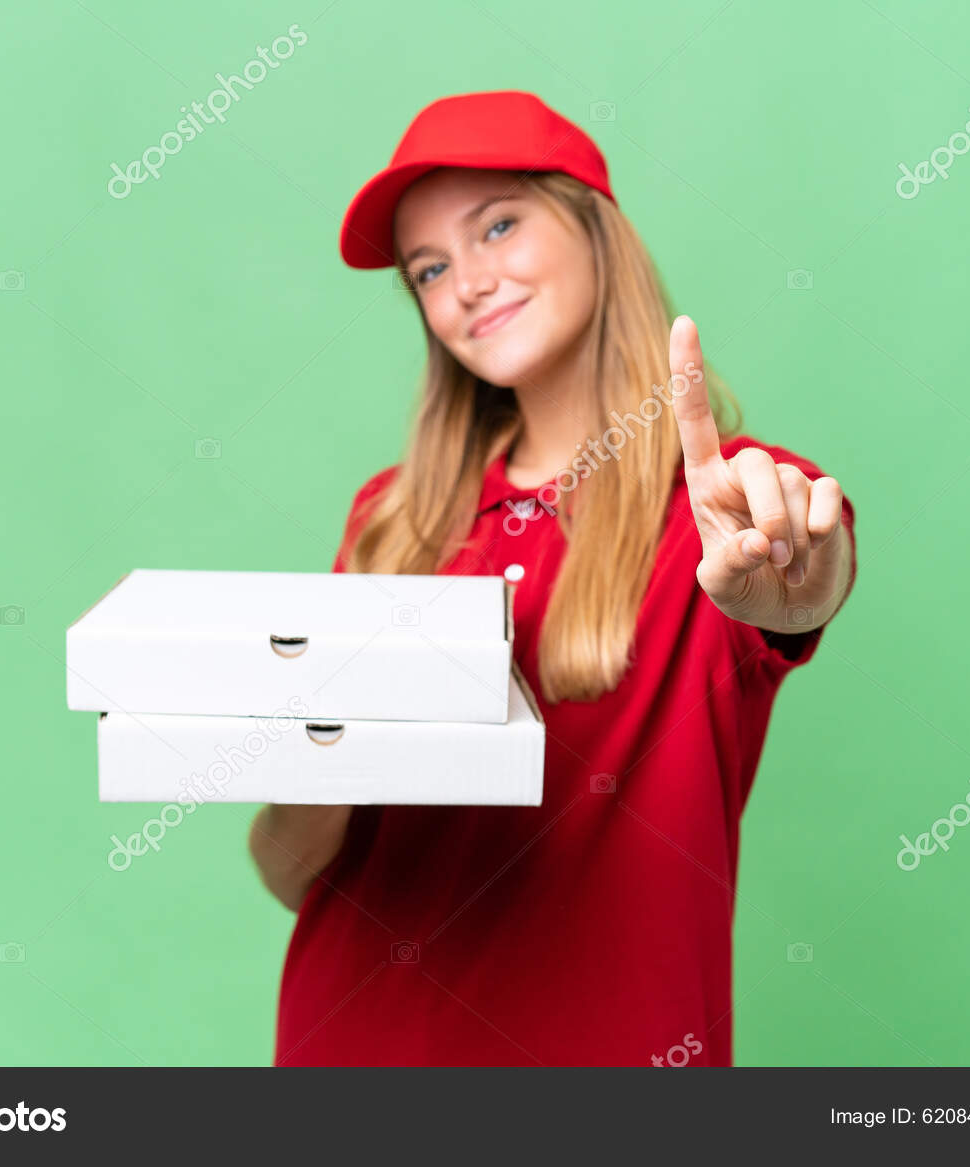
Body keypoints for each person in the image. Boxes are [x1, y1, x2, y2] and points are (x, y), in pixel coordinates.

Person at [248, 90, 857, 1066]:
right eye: (430, 269)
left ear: (592, 230)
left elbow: (803, 578)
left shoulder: (723, 510)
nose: (467, 284)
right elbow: (291, 872)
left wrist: (793, 586)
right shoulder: (391, 520)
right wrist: (320, 761)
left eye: (497, 225)